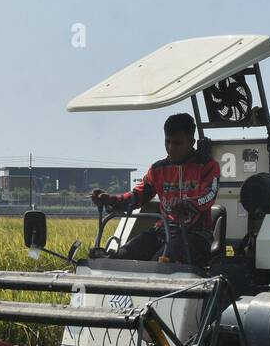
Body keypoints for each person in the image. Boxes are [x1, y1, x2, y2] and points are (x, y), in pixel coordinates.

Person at [91, 113, 219, 265]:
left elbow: (209, 195)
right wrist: (112, 200)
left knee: (158, 264)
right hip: (162, 231)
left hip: (195, 235)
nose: (171, 148)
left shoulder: (207, 166)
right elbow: (138, 195)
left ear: (191, 142)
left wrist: (188, 204)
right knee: (122, 257)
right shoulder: (158, 169)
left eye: (177, 143)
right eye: (168, 142)